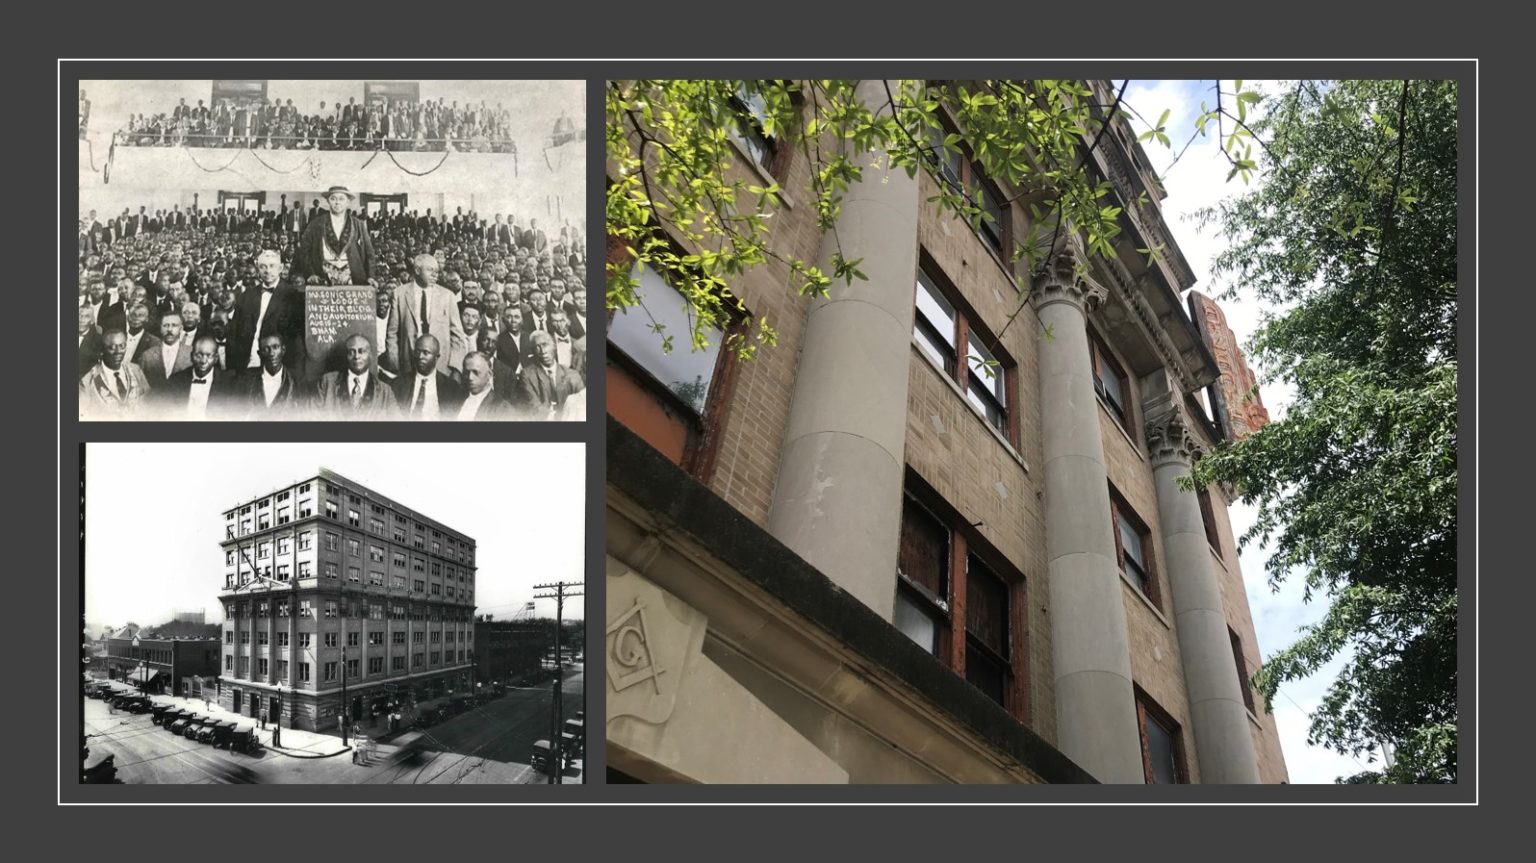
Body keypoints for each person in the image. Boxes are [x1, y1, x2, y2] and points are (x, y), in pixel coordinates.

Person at [387, 253, 468, 379]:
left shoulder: (447, 296)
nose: (435, 274)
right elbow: (392, 333)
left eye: (437, 271)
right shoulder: (400, 294)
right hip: (409, 365)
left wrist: (456, 369)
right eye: (430, 270)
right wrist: (395, 365)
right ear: (417, 270)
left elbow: (458, 335)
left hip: (441, 367)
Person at [228, 250, 305, 372]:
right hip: (246, 364)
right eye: (263, 266)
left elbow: (296, 341)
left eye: (272, 266)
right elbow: (234, 333)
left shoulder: (294, 297)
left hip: (278, 365)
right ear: (257, 269)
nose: (267, 271)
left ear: (280, 268)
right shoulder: (247, 296)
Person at [294, 186, 378, 286]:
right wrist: (310, 274)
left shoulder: (358, 225)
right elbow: (304, 251)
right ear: (328, 201)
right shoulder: (316, 224)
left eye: (341, 199)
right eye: (333, 199)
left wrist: (371, 276)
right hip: (322, 280)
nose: (337, 202)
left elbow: (369, 253)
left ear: (347, 202)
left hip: (354, 280)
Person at [313, 334, 397, 417]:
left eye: (362, 351)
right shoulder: (327, 382)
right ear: (346, 355)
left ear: (370, 355)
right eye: (351, 352)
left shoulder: (385, 392)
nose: (356, 356)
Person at [161, 336, 240, 419]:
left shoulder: (229, 384)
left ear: (216, 358)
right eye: (198, 355)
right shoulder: (176, 381)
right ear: (191, 356)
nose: (203, 361)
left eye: (209, 356)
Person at [392, 334, 464, 420]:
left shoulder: (451, 388)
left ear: (436, 357)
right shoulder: (398, 384)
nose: (420, 356)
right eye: (417, 352)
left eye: (425, 353)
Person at [516, 331, 583, 417]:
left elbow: (582, 404)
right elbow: (534, 407)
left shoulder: (572, 374)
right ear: (533, 351)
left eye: (545, 345)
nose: (543, 351)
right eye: (537, 347)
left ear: (554, 346)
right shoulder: (527, 375)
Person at [240, 333, 303, 417]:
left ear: (283, 350)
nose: (271, 353)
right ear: (259, 354)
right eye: (266, 349)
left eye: (275, 347)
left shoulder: (296, 382)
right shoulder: (246, 380)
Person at [456, 351, 511, 420]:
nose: (470, 377)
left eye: (476, 372)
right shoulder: (456, 400)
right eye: (466, 372)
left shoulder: (502, 408)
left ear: (489, 374)